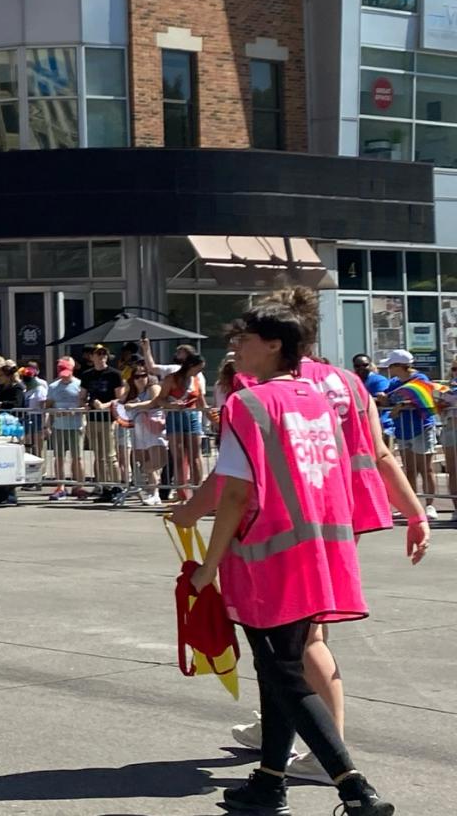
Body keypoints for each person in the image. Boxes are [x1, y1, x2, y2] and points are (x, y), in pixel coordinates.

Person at [171, 302, 396, 816]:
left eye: (244, 338)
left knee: (282, 672)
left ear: (275, 344)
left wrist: (209, 564)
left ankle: (354, 788)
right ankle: (270, 782)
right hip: (318, 546)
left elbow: (233, 493)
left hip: (266, 555)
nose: (235, 347)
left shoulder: (248, 405)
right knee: (279, 668)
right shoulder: (317, 398)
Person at [374, 350, 439, 518]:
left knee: (426, 468)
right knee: (409, 469)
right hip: (403, 430)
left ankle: (430, 505)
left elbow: (426, 400)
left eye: (391, 365)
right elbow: (389, 399)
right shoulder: (394, 382)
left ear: (399, 366)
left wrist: (402, 405)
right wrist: (383, 399)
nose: (388, 369)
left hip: (422, 428)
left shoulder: (421, 379)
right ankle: (412, 505)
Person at [151, 344, 207, 504]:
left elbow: (201, 402)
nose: (198, 372)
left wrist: (211, 415)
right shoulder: (172, 378)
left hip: (192, 416)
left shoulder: (196, 380)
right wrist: (171, 405)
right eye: (197, 368)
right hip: (175, 416)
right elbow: (160, 399)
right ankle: (182, 492)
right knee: (179, 456)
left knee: (195, 455)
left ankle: (198, 491)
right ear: (190, 366)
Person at [76, 345, 125, 500]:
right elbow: (82, 396)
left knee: (110, 455)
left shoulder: (114, 374)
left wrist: (105, 406)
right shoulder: (87, 375)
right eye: (98, 354)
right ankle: (105, 487)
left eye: (104, 354)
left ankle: (117, 486)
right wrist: (84, 404)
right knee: (99, 455)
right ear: (92, 357)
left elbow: (121, 398)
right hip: (92, 418)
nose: (101, 356)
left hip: (108, 418)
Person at [120, 362, 167, 505]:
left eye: (143, 375)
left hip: (153, 428)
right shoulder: (132, 392)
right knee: (142, 460)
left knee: (154, 461)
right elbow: (121, 402)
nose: (141, 379)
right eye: (137, 376)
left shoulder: (153, 387)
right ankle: (153, 493)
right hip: (139, 430)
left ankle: (155, 491)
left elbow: (155, 402)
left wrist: (136, 405)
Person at [46, 358, 85, 500]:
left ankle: (79, 486)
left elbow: (84, 404)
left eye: (67, 373)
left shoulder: (79, 384)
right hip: (59, 426)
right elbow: (48, 405)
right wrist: (52, 417)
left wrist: (75, 411)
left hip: (75, 425)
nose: (65, 376)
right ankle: (60, 486)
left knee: (78, 457)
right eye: (62, 373)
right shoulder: (53, 386)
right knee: (60, 457)